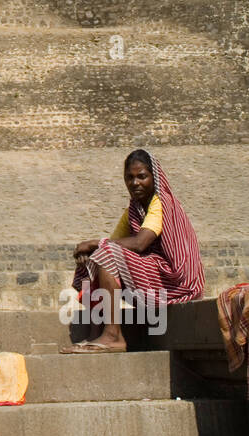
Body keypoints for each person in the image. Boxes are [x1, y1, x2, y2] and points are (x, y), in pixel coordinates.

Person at [60, 149, 204, 354]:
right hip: (153, 273)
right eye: (130, 177)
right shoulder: (134, 210)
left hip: (177, 278)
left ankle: (113, 336)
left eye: (142, 176)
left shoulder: (160, 203)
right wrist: (91, 251)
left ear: (154, 178)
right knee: (97, 256)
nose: (135, 183)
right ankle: (95, 332)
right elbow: (114, 241)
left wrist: (93, 244)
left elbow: (139, 244)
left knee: (105, 252)